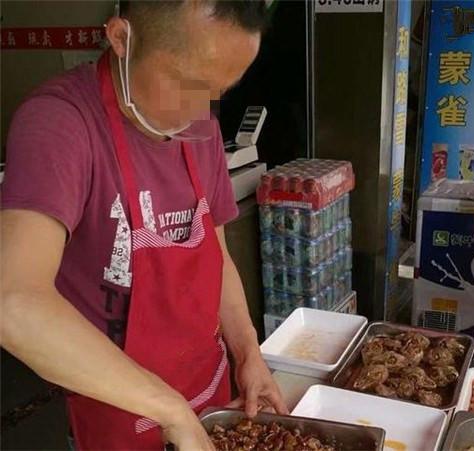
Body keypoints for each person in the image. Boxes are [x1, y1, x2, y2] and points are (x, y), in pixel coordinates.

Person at [0, 1, 287, 449]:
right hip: (115, 407)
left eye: (217, 92)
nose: (200, 111)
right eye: (186, 84)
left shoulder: (202, 129)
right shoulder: (59, 124)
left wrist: (248, 350)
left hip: (208, 392)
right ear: (120, 38)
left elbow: (218, 258)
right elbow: (14, 302)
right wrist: (168, 407)